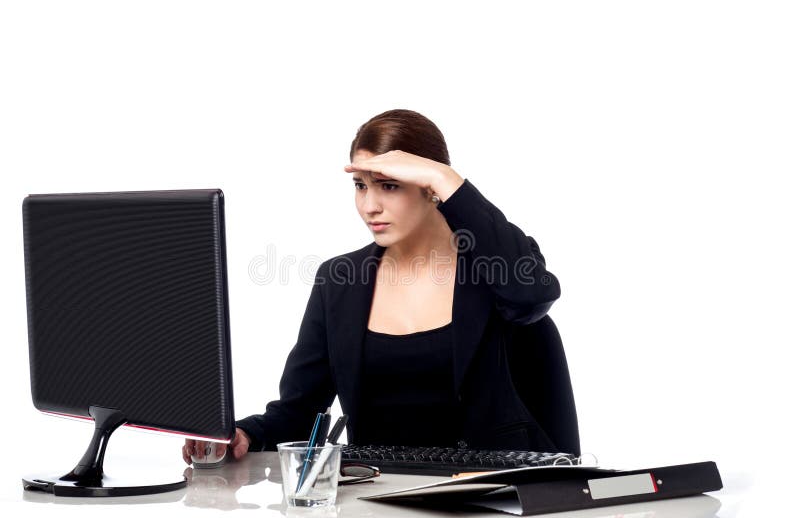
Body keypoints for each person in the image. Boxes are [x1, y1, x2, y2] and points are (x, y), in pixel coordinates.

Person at [183, 109, 563, 465]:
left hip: (490, 490)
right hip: (375, 493)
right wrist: (245, 434)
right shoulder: (339, 281)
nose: (370, 206)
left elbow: (531, 295)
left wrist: (447, 178)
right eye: (360, 186)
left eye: (389, 185)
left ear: (431, 188)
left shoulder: (495, 264)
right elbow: (300, 412)